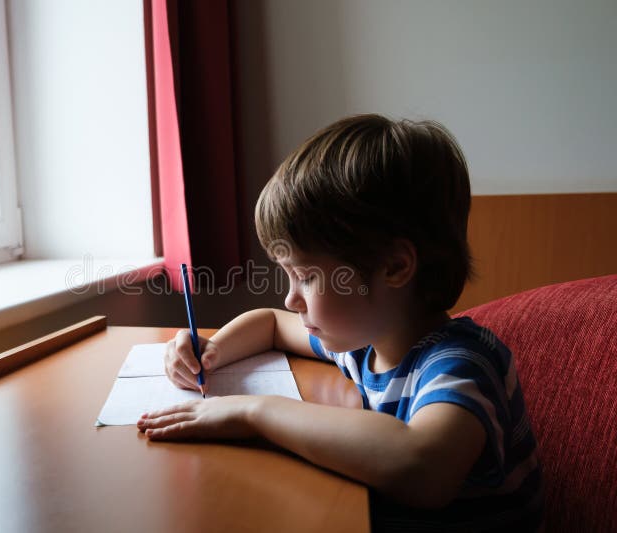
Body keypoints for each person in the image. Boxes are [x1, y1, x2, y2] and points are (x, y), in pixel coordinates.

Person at [137, 114, 543, 531]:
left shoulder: (460, 364)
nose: (290, 298)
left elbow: (423, 467)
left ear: (394, 267)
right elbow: (270, 324)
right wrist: (212, 349)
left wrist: (254, 412)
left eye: (307, 277)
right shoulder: (366, 340)